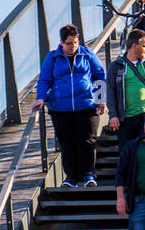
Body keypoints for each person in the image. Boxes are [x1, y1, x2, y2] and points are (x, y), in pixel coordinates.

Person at [32, 24, 107, 188]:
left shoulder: (87, 54)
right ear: (61, 42)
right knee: (67, 143)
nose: (72, 46)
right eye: (68, 43)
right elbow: (44, 79)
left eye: (75, 42)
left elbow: (99, 75)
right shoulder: (52, 57)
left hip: (86, 105)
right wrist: (40, 97)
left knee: (87, 140)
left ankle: (88, 175)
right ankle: (71, 177)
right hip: (60, 108)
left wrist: (101, 100)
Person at [105, 30, 145, 149]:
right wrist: (113, 115)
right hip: (126, 117)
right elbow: (110, 92)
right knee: (127, 153)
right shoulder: (116, 65)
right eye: (144, 46)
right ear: (134, 46)